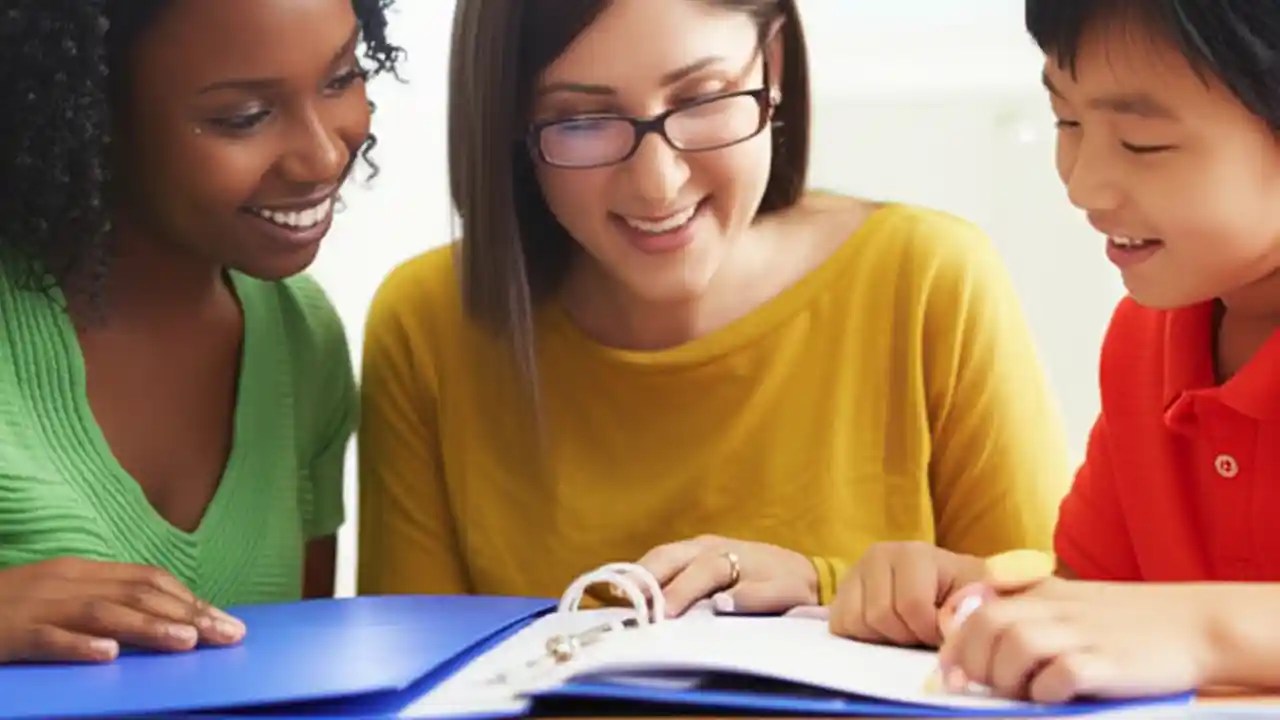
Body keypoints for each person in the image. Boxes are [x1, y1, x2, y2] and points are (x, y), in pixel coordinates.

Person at [358, 0, 1068, 617]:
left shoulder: (928, 282)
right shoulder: (429, 325)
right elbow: (417, 680)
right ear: (513, 125)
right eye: (582, 121)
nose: (658, 185)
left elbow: (1046, 632)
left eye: (701, 99)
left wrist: (817, 590)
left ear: (775, 66)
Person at [830, 0, 1280, 704]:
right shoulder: (1147, 340)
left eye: (1142, 143)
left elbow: (1169, 628)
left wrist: (1204, 629)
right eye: (1067, 122)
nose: (1081, 184)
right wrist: (985, 604)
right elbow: (1102, 604)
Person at [0, 0, 401, 664]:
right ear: (90, 117)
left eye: (339, 78)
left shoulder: (303, 338)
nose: (323, 155)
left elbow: (298, 689)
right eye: (243, 117)